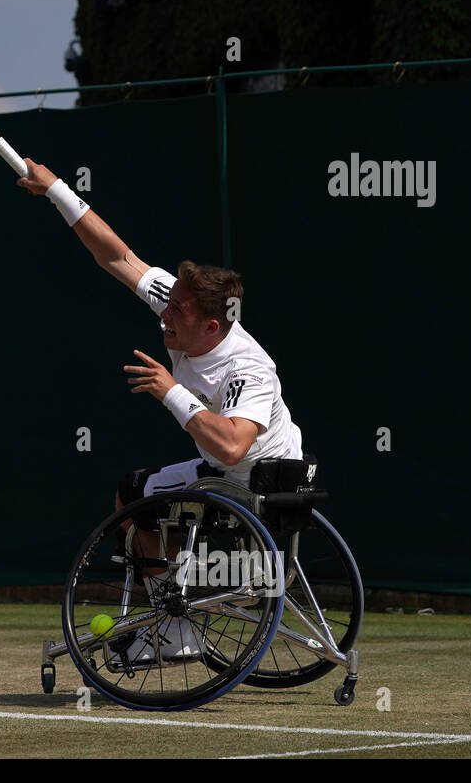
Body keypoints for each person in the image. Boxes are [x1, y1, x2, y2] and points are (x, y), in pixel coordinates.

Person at [17, 159, 304, 663]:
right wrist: (57, 189)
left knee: (137, 496)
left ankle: (175, 628)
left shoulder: (247, 369)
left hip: (258, 482)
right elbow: (118, 258)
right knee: (134, 490)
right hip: (226, 473)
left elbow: (235, 443)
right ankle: (174, 609)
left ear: (213, 326)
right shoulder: (181, 308)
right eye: (169, 303)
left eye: (179, 311)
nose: (165, 314)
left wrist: (171, 390)